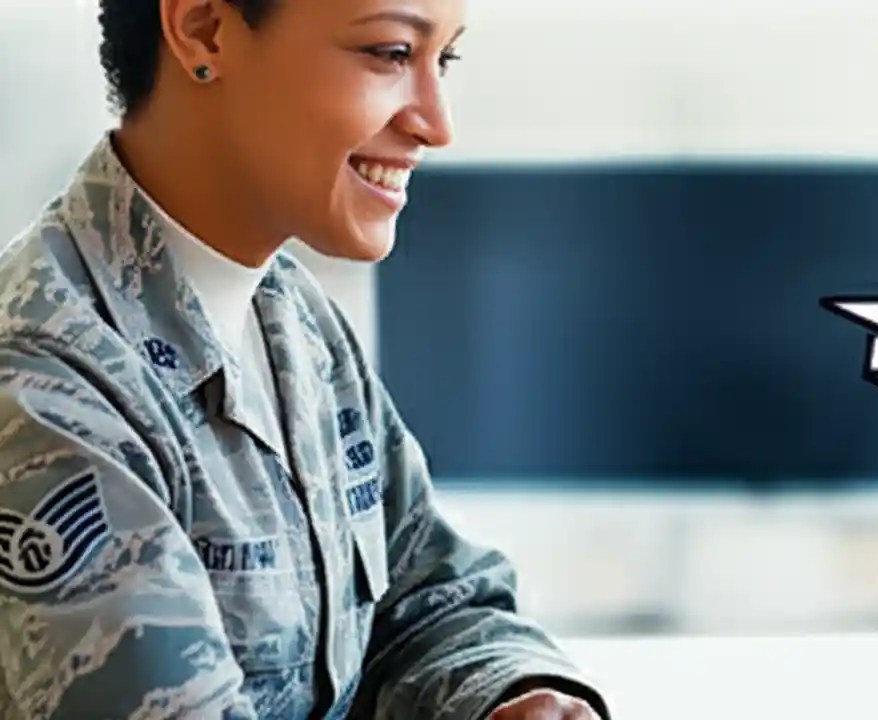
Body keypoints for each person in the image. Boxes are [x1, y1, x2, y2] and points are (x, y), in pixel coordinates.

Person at [0, 0, 609, 718]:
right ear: (204, 29)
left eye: (443, 60)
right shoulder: (44, 383)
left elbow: (425, 603)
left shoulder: (293, 318)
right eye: (388, 53)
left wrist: (517, 697)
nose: (437, 125)